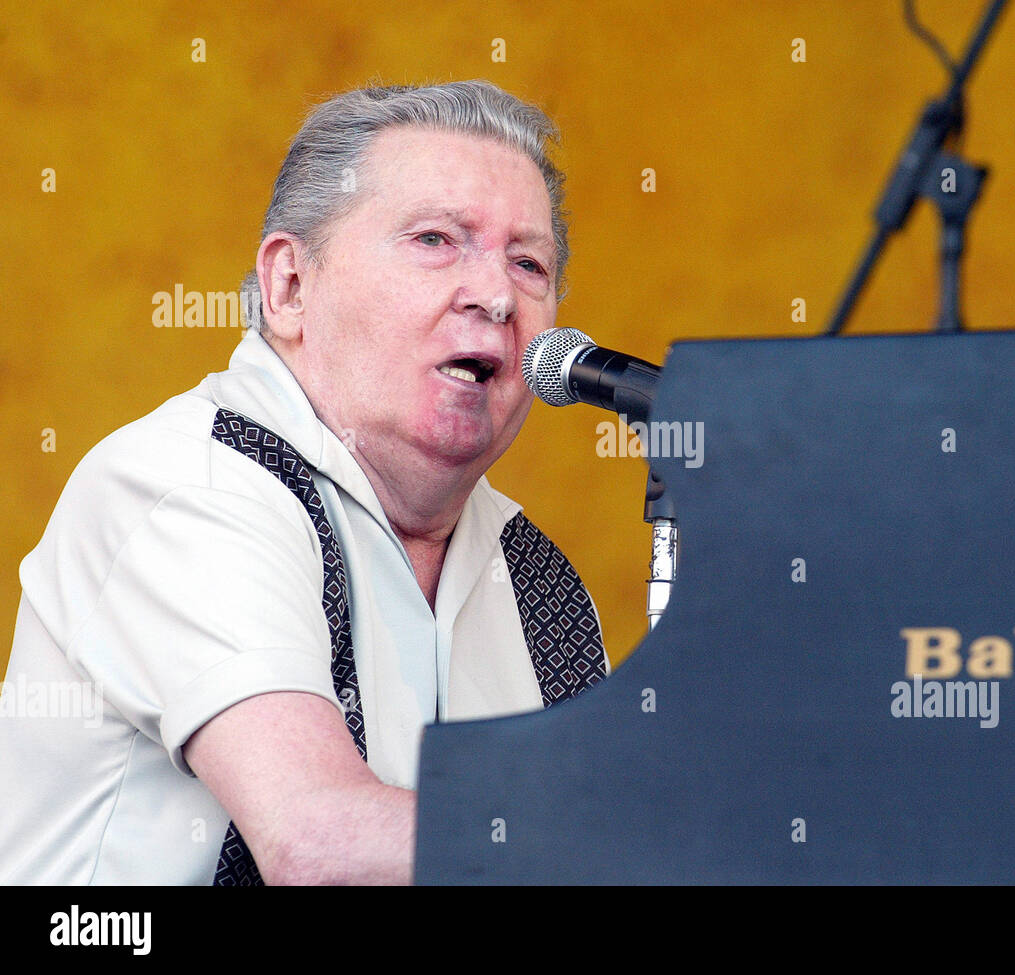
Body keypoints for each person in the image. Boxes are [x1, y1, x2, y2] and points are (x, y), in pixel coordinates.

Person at [0, 81, 607, 885]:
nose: (496, 295)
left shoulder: (540, 589)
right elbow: (316, 840)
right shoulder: (189, 482)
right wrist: (652, 826)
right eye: (436, 240)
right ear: (289, 286)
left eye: (528, 263)